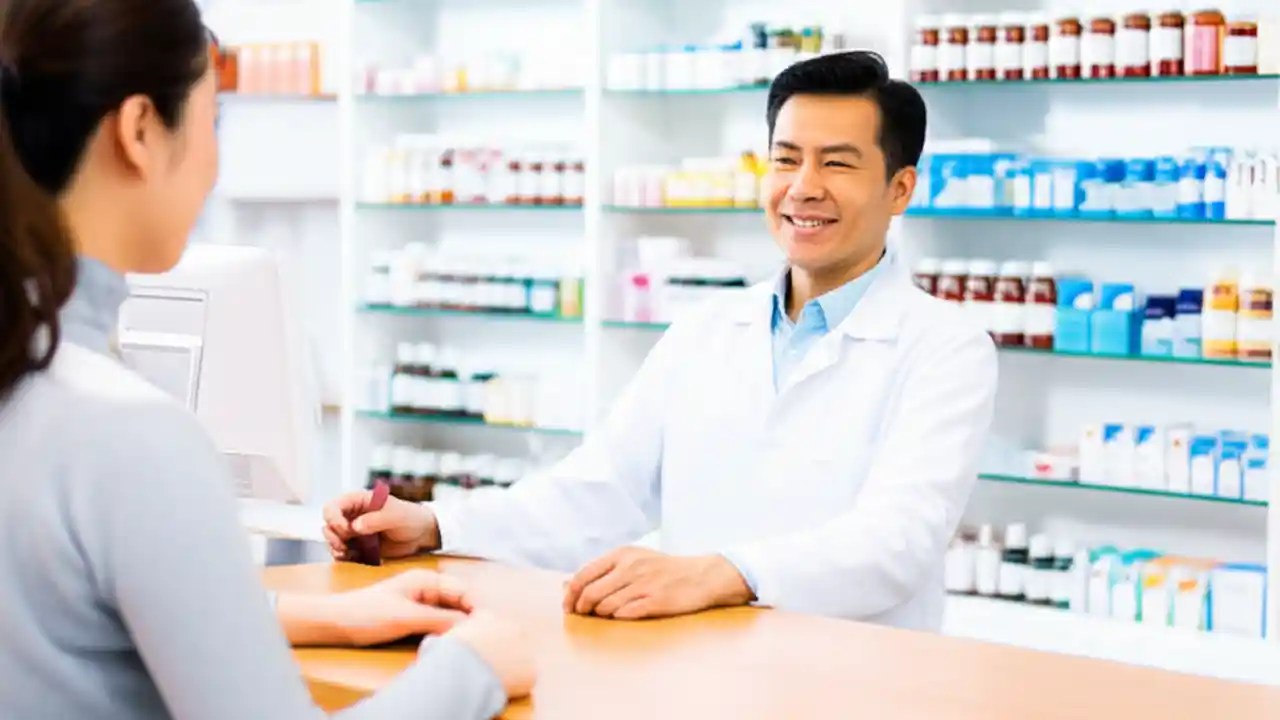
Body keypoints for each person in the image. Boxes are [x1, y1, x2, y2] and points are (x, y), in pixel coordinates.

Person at [325, 51, 997, 630]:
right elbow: (598, 490)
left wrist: (723, 573)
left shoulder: (945, 347)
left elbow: (898, 539)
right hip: (694, 660)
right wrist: (437, 525)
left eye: (837, 164)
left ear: (899, 188)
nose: (802, 187)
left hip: (855, 679)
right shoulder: (705, 330)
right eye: (785, 159)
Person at [0, 0, 533, 718]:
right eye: (214, 118)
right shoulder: (126, 436)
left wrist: (327, 616)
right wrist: (476, 667)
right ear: (139, 132)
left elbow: (69, 607)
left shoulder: (31, 380)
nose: (217, 160)